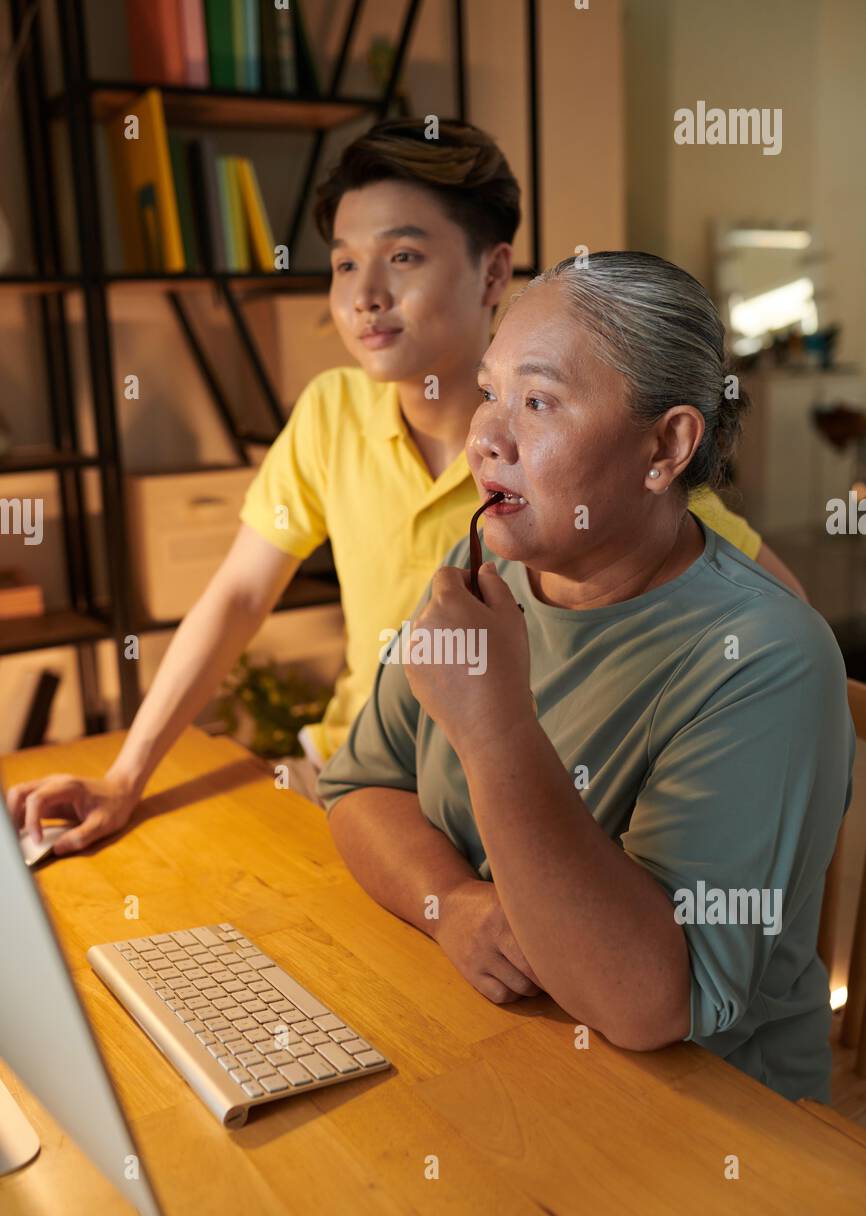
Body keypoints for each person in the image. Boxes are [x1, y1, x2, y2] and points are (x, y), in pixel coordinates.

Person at [6, 121, 804, 851]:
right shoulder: (332, 412)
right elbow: (239, 598)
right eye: (346, 262)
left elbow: (781, 619)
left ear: (494, 271)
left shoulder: (588, 464)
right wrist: (125, 776)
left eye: (404, 257)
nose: (364, 294)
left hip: (509, 810)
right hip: (362, 784)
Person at [320, 251, 855, 1104]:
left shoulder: (764, 656)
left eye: (537, 402)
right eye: (490, 392)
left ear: (666, 444)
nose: (487, 436)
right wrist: (450, 901)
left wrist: (493, 727)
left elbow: (651, 1002)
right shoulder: (483, 585)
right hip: (491, 1057)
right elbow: (358, 787)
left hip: (710, 1129)